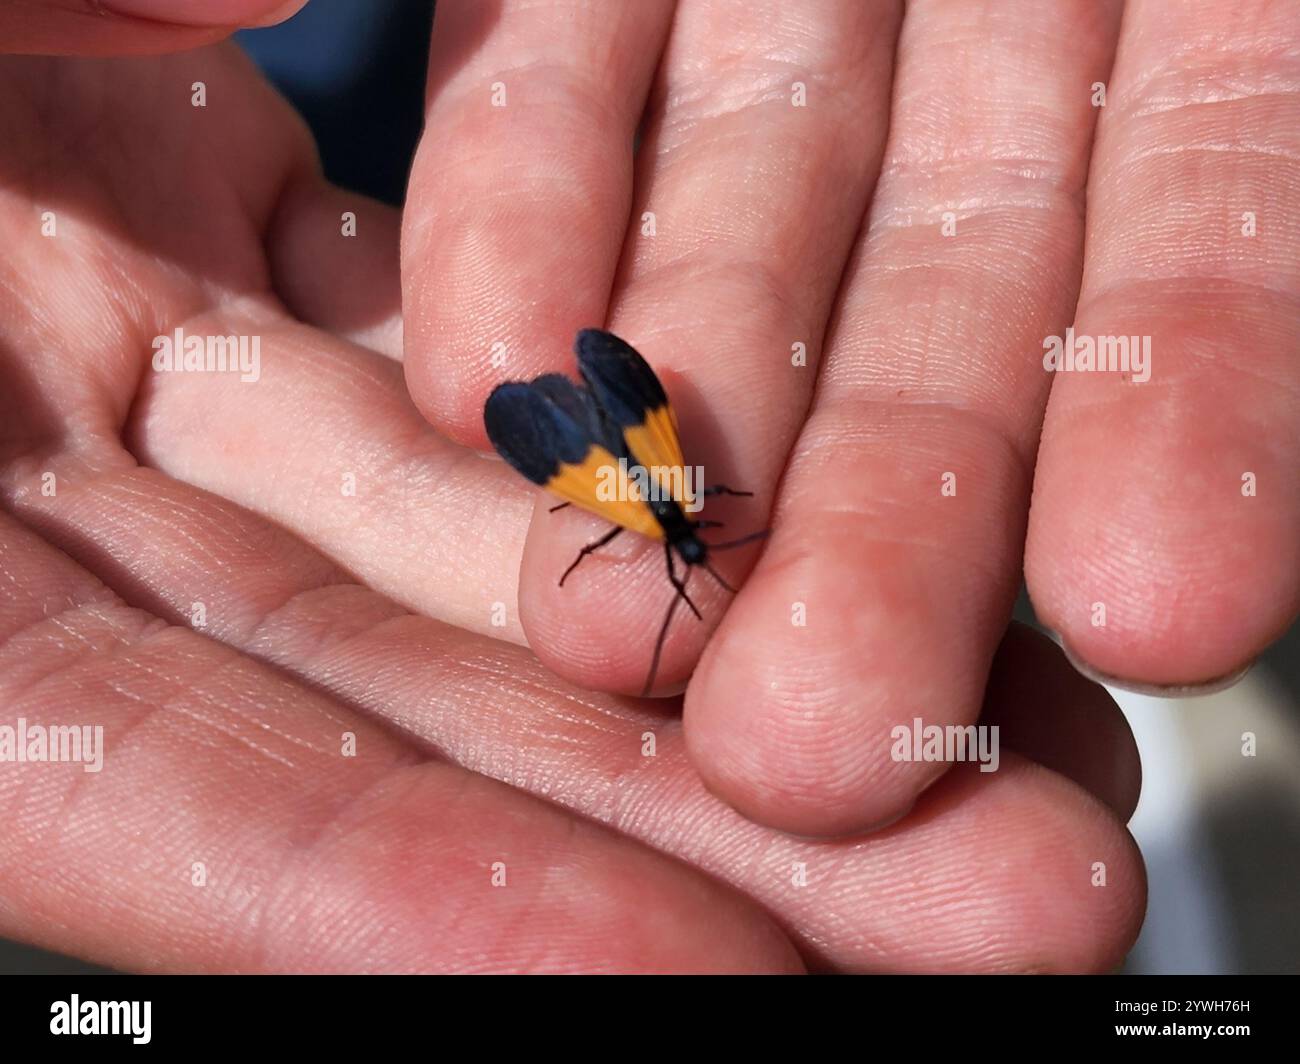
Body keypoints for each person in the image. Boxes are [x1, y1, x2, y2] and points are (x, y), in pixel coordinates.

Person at [0, 0, 1293, 973]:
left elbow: (610, 425)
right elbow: (617, 408)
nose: (698, 562)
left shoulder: (653, 506)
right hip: (311, 128)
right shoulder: (668, 500)